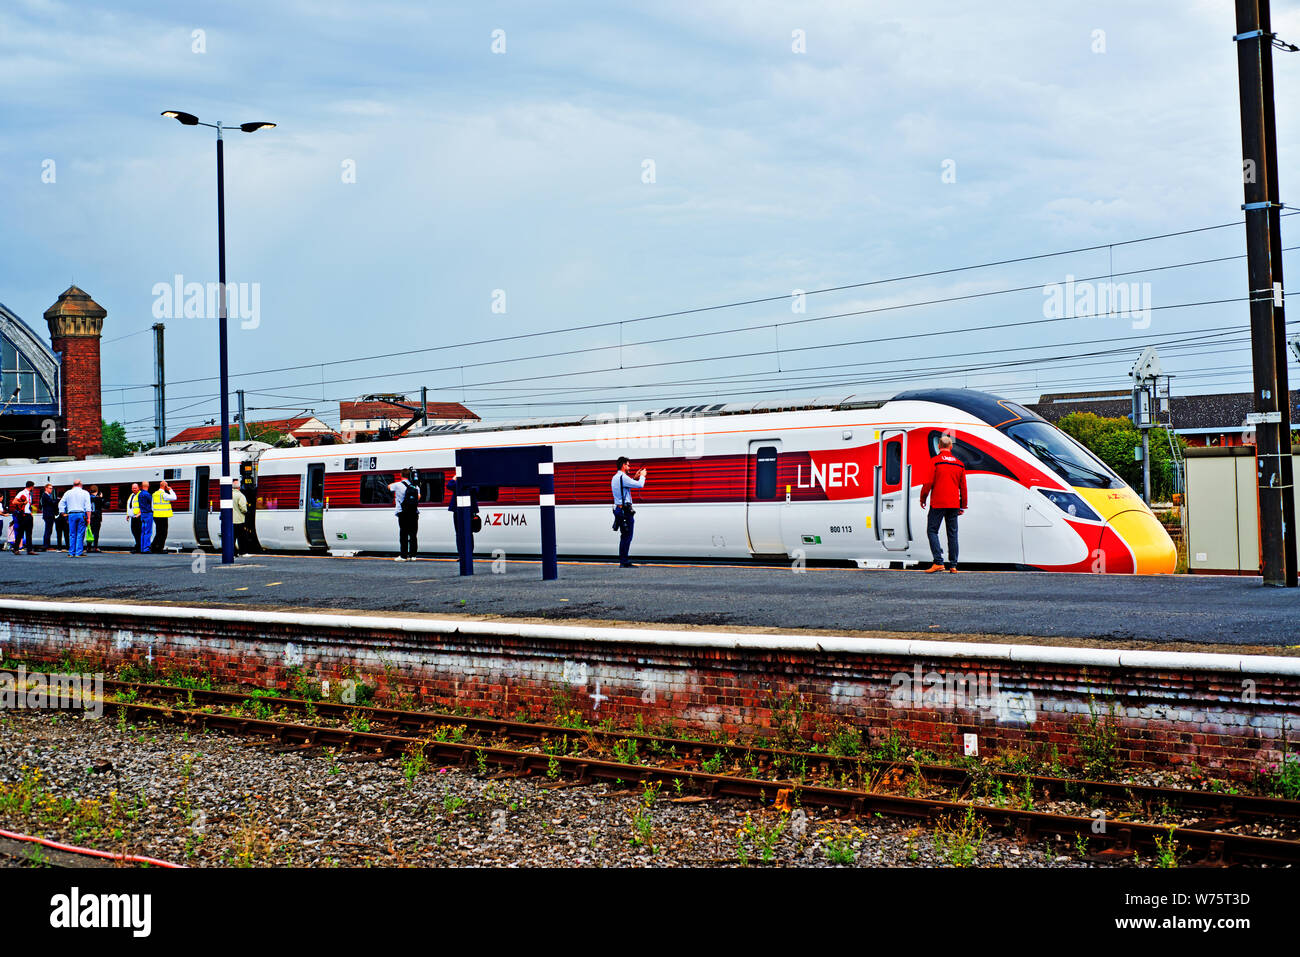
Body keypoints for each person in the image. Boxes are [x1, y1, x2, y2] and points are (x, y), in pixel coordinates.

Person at [919, 433, 968, 573]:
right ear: (951, 447)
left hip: (938, 503)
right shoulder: (959, 464)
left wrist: (923, 498)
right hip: (953, 503)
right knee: (952, 534)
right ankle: (953, 565)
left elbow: (928, 483)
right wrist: (963, 505)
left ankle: (938, 562)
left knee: (932, 530)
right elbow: (963, 487)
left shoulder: (935, 461)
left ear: (939, 446)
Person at [611, 456, 647, 568]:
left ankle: (623, 560)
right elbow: (640, 485)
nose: (629, 466)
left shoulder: (616, 477)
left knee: (624, 536)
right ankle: (624, 562)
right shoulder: (623, 477)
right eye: (628, 465)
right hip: (625, 510)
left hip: (619, 509)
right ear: (623, 465)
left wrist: (634, 477)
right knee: (627, 536)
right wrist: (642, 476)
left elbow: (625, 488)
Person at [445, 476, 480, 565]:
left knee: (462, 533)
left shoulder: (463, 482)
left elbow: (450, 485)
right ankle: (465, 554)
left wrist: (454, 478)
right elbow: (449, 486)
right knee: (466, 533)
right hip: (467, 510)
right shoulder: (473, 482)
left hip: (461, 510)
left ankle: (464, 554)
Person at [387, 469, 419, 561]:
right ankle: (413, 556)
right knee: (413, 535)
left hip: (403, 513)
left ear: (401, 475)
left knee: (403, 534)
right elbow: (419, 497)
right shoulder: (415, 486)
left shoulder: (397, 485)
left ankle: (403, 556)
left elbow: (389, 487)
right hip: (414, 513)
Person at [59, 480, 92, 558]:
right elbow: (88, 507)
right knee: (80, 534)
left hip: (71, 514)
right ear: (80, 484)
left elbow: (61, 503)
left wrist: (63, 513)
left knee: (72, 534)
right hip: (81, 514)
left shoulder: (68, 493)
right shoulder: (85, 493)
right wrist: (89, 518)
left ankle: (71, 552)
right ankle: (78, 552)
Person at [149, 479, 177, 553]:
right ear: (165, 486)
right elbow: (174, 497)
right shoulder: (163, 494)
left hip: (156, 516)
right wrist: (170, 490)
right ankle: (159, 549)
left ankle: (153, 547)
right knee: (163, 533)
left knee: (158, 532)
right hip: (163, 516)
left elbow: (152, 506)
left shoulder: (154, 494)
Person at [11, 482, 35, 555]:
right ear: (31, 486)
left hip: (28, 515)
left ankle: (29, 550)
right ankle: (16, 549)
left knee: (29, 533)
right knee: (20, 532)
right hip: (23, 515)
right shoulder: (22, 493)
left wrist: (30, 513)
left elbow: (28, 505)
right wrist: (23, 503)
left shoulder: (29, 494)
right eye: (33, 486)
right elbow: (14, 502)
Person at [232, 478, 252, 555]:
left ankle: (233, 553)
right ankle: (242, 552)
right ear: (239, 487)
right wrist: (247, 512)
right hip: (239, 520)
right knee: (241, 537)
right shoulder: (240, 496)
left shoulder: (227, 495)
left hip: (230, 520)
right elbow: (243, 508)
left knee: (232, 538)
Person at [40, 483, 58, 550]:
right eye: (50, 488)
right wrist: (57, 500)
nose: (51, 490)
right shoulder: (45, 496)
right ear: (46, 488)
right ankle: (46, 545)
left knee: (49, 530)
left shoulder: (47, 495)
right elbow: (51, 503)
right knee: (48, 530)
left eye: (52, 488)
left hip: (49, 515)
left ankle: (47, 545)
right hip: (48, 515)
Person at [138, 480, 154, 553]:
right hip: (148, 514)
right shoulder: (147, 494)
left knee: (143, 532)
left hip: (143, 514)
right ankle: (146, 548)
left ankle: (142, 548)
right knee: (148, 532)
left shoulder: (140, 494)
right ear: (148, 486)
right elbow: (152, 503)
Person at [126, 482, 142, 552]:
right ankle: (137, 545)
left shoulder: (140, 495)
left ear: (139, 488)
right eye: (133, 488)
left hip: (138, 517)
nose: (134, 489)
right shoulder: (132, 495)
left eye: (135, 488)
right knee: (134, 531)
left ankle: (138, 547)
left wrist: (140, 513)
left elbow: (143, 505)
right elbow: (130, 506)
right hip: (133, 517)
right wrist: (128, 515)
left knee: (138, 532)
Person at [87, 485, 104, 552]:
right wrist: (101, 497)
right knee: (96, 533)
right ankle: (95, 547)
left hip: (90, 517)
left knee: (89, 532)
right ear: (96, 491)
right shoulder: (98, 499)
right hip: (97, 517)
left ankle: (88, 547)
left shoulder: (88, 498)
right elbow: (102, 505)